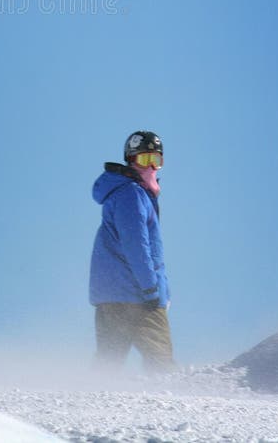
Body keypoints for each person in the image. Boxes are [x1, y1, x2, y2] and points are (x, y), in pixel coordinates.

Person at [89, 130, 175, 373]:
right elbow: (136, 245)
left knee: (107, 364)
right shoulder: (132, 195)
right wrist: (152, 289)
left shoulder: (130, 194)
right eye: (143, 160)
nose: (150, 167)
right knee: (162, 366)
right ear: (130, 161)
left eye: (156, 161)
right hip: (136, 295)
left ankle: (90, 404)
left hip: (112, 295)